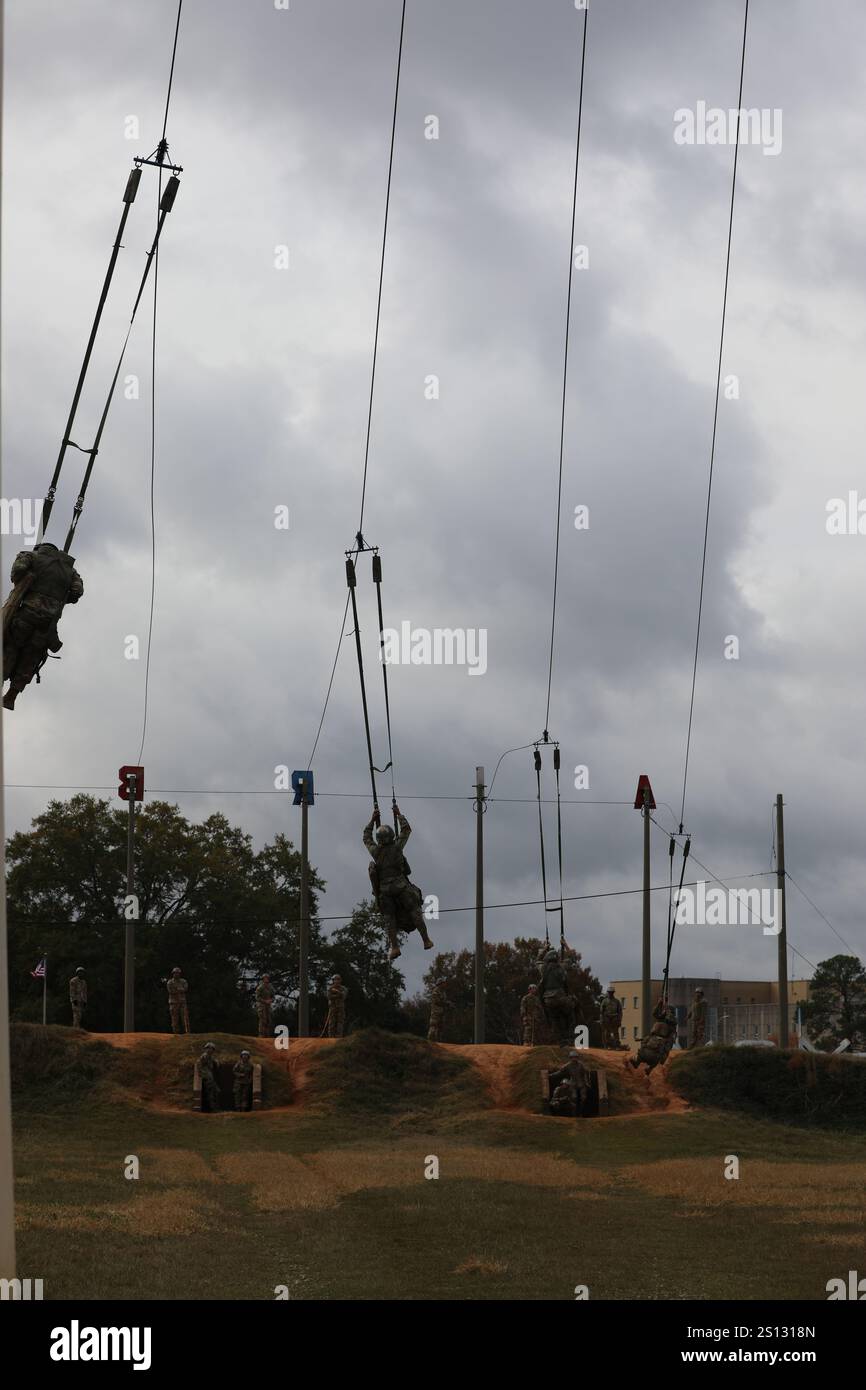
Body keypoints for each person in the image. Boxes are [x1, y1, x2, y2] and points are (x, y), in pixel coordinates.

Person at [2, 541, 83, 709]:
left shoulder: (32, 556)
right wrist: (58, 599)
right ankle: (11, 696)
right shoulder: (71, 571)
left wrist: (25, 581)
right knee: (30, 658)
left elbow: (18, 570)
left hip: (24, 616)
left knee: (10, 648)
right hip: (47, 625)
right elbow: (77, 592)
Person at [363, 805, 434, 961]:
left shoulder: (375, 851)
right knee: (415, 910)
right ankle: (426, 940)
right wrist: (398, 814)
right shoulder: (397, 847)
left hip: (385, 890)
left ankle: (394, 947)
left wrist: (372, 820)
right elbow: (406, 830)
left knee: (390, 919)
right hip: (401, 886)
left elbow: (366, 837)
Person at [626, 997, 678, 1075]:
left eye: (667, 1011)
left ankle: (649, 1068)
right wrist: (659, 1004)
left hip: (662, 1042)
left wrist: (667, 1013)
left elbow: (670, 1040)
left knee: (658, 1055)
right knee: (644, 1049)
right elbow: (655, 1013)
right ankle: (638, 1062)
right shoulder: (662, 1018)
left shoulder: (672, 1022)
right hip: (652, 1038)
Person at [538, 949, 573, 1045]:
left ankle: (560, 1039)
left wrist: (544, 948)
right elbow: (570, 959)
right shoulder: (561, 967)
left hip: (548, 1000)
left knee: (554, 1019)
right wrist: (565, 944)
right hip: (561, 998)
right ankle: (568, 1037)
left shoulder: (543, 968)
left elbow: (538, 960)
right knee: (569, 1015)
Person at [548, 1050, 591, 1115]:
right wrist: (552, 1075)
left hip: (581, 1083)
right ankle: (574, 1113)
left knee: (583, 1098)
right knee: (574, 1098)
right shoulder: (568, 1065)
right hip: (573, 1084)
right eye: (572, 1057)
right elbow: (560, 1072)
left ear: (577, 1057)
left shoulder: (581, 1065)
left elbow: (585, 1073)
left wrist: (587, 1082)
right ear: (570, 1058)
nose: (574, 1059)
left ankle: (581, 1112)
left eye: (575, 1057)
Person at [198, 1043, 221, 1112]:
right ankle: (213, 1109)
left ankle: (215, 1108)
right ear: (207, 1049)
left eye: (212, 1049)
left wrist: (216, 1062)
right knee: (211, 1094)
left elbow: (213, 1060)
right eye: (209, 1048)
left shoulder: (210, 1056)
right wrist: (204, 1075)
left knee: (216, 1091)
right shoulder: (204, 1056)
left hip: (210, 1078)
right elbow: (199, 1066)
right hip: (208, 1079)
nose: (211, 1050)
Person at [167, 967, 190, 1034]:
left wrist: (178, 989)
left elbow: (185, 989)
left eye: (178, 973)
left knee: (185, 1018)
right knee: (174, 1019)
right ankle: (175, 1033)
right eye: (175, 973)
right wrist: (180, 989)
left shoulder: (183, 981)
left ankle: (187, 1033)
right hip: (173, 1003)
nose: (177, 974)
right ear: (173, 974)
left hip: (182, 1002)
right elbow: (171, 991)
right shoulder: (170, 982)